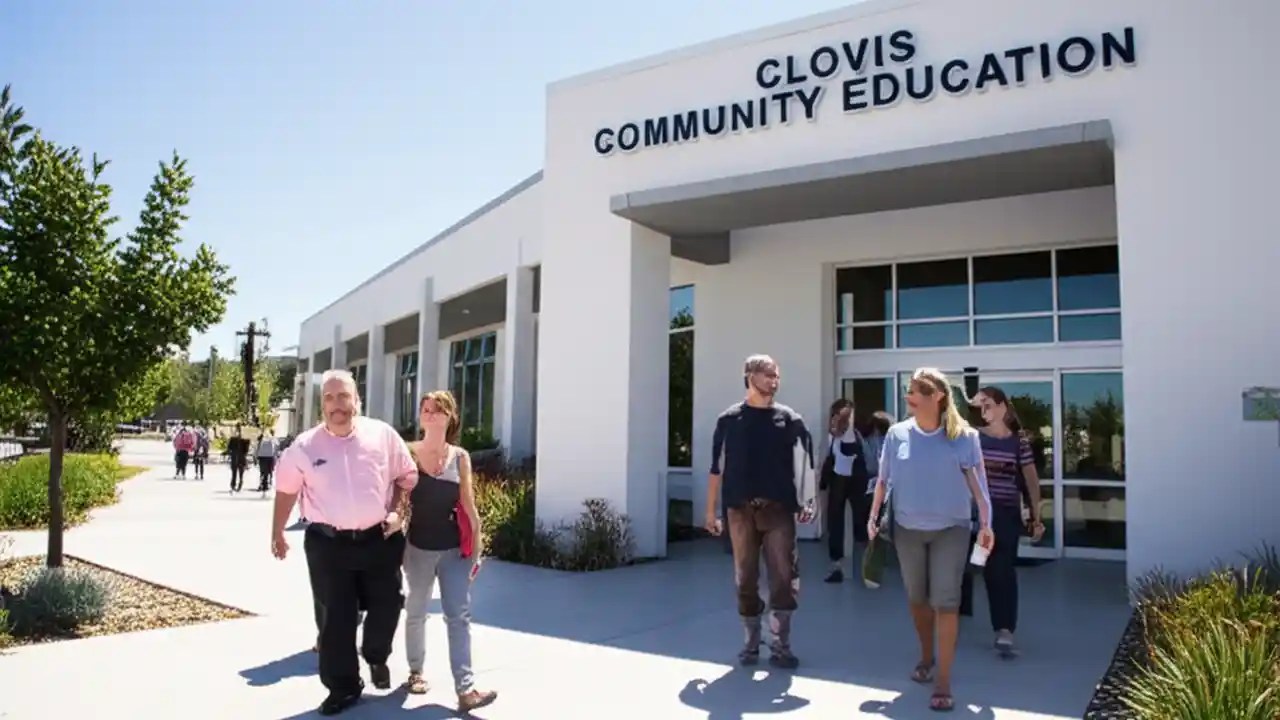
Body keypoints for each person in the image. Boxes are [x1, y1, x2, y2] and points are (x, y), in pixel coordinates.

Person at [270, 369, 417, 716]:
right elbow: (286, 490)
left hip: (378, 540)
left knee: (388, 604)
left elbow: (404, 478)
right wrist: (277, 531)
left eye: (343, 396)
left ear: (357, 400)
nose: (337, 405)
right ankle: (343, 687)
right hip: (328, 544)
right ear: (322, 404)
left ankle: (377, 656)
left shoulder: (383, 435)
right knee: (336, 618)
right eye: (329, 398)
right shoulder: (304, 447)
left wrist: (398, 513)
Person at [867, 367, 993, 713]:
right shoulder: (896, 435)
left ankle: (944, 681)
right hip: (906, 529)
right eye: (908, 390)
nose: (908, 396)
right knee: (917, 599)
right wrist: (873, 516)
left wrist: (987, 523)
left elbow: (980, 489)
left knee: (946, 601)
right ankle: (926, 656)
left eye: (915, 391)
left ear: (936, 397)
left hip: (950, 529)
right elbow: (883, 481)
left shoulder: (963, 437)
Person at [704, 354, 816, 669]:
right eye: (767, 374)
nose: (773, 380)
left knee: (784, 575)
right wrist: (710, 511)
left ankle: (781, 645)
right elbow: (716, 468)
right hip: (739, 510)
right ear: (749, 375)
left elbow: (807, 463)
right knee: (745, 578)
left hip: (778, 509)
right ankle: (751, 644)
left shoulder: (790, 419)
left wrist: (810, 501)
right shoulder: (729, 419)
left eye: (776, 375)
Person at [401, 390, 498, 712]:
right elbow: (398, 503)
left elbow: (469, 507)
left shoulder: (460, 457)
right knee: (416, 610)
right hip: (417, 548)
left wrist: (477, 552)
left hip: (455, 551)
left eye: (437, 410)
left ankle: (466, 691)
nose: (429, 414)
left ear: (450, 417)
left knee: (459, 616)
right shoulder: (408, 453)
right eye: (425, 409)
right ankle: (415, 671)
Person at [971, 386, 1044, 658]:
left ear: (1002, 406)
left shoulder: (1018, 443)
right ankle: (952, 618)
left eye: (988, 404)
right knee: (979, 570)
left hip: (1006, 514)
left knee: (1002, 571)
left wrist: (1036, 515)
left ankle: (1004, 629)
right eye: (980, 406)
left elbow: (1031, 479)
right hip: (979, 515)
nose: (984, 411)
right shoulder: (975, 438)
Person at [820, 399, 871, 583]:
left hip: (845, 479)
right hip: (846, 478)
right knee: (850, 522)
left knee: (844, 522)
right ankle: (859, 565)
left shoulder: (847, 434)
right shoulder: (845, 435)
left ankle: (844, 565)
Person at [227, 425, 250, 493]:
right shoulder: (235, 438)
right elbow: (246, 449)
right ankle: (235, 484)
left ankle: (236, 484)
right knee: (236, 472)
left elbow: (229, 448)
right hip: (238, 457)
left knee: (238, 472)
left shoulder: (243, 439)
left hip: (238, 457)